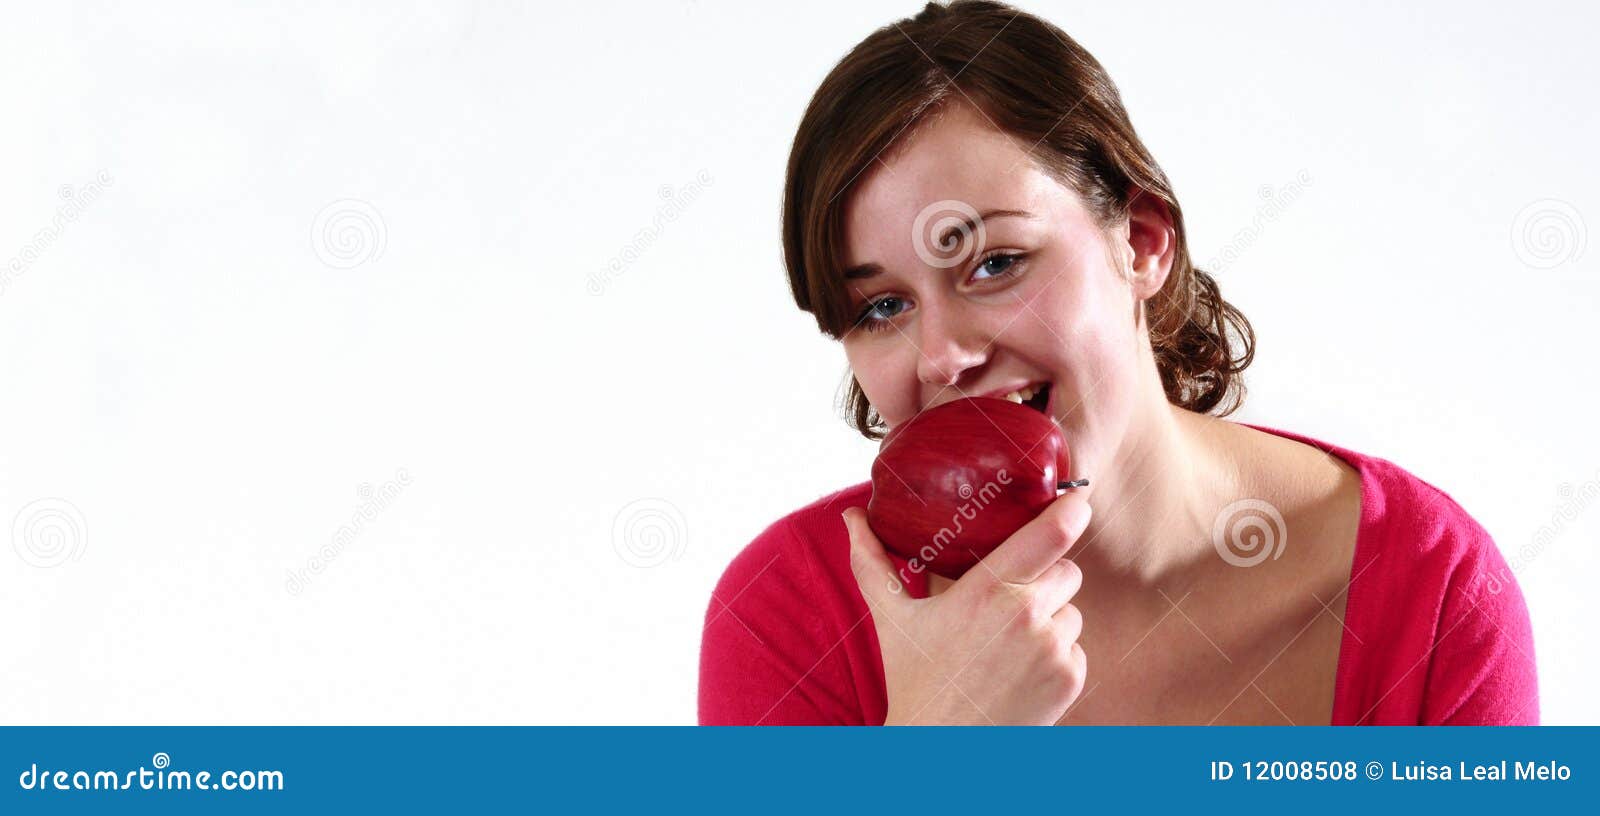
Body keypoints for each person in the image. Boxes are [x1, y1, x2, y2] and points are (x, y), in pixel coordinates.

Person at [698, 0, 1537, 725]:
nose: (946, 354)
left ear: (1140, 243)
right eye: (882, 307)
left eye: (996, 263)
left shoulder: (1431, 592)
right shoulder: (793, 617)